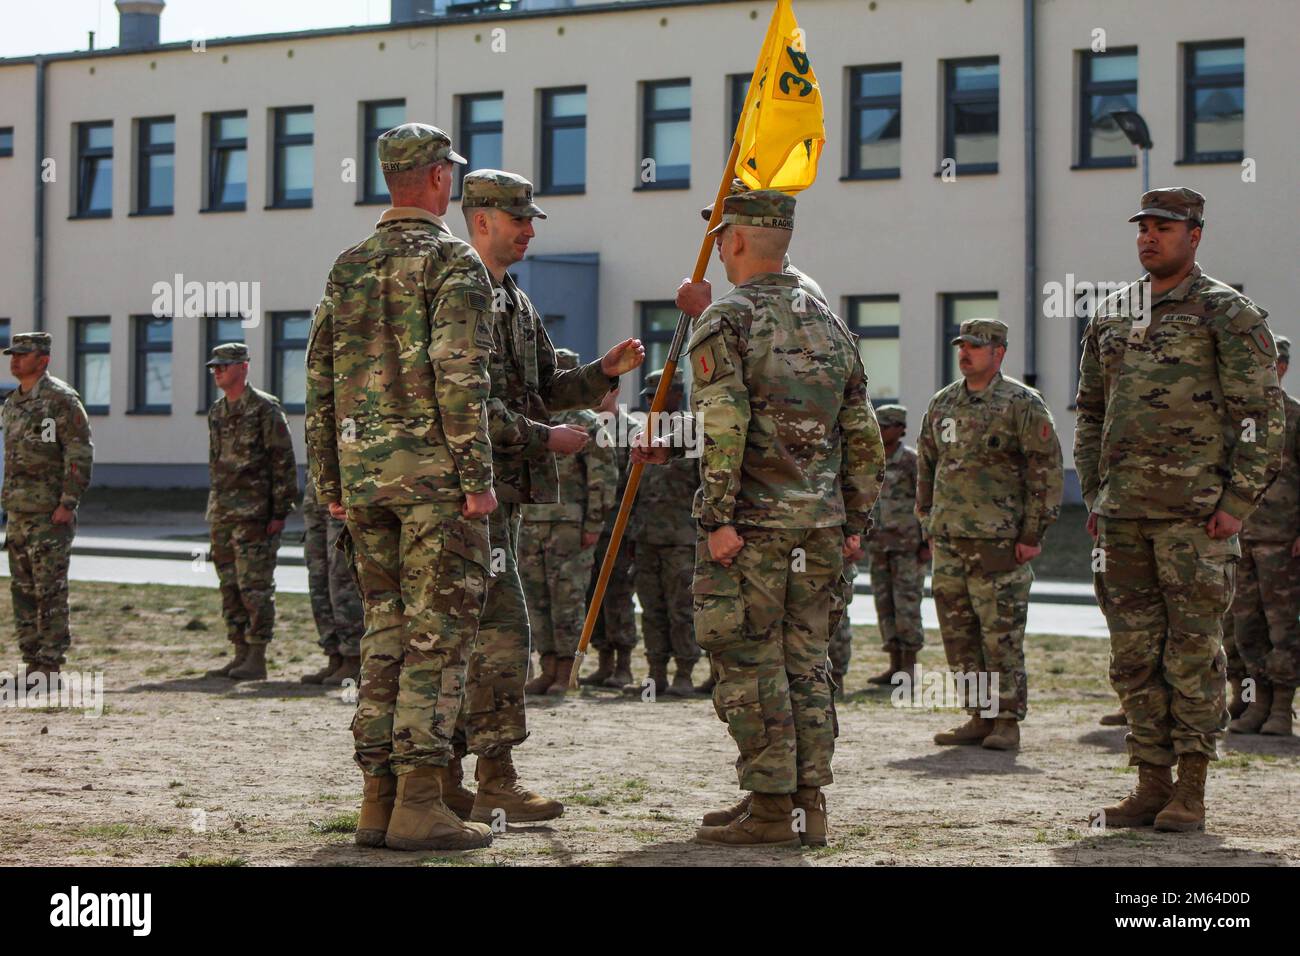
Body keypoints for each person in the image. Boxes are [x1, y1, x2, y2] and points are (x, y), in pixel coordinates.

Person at [635, 190, 884, 848]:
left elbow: (727, 425)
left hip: (751, 527)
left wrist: (717, 515)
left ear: (738, 241)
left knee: (748, 660)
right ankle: (805, 803)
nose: (716, 246)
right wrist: (854, 516)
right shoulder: (829, 323)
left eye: (721, 236)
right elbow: (863, 432)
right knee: (807, 662)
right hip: (821, 527)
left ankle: (772, 805)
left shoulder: (729, 320)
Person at [306, 123, 500, 852]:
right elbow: (461, 372)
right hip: (434, 484)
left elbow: (320, 380)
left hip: (364, 483)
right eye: (450, 172)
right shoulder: (454, 261)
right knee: (437, 636)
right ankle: (420, 800)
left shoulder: (348, 265)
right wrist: (477, 478)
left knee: (383, 629)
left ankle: (376, 799)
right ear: (438, 179)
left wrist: (330, 477)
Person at [1076, 186, 1284, 832]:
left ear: (1196, 235)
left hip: (1196, 520)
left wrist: (1239, 501)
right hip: (1123, 518)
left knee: (1193, 654)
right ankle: (1150, 783)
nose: (1149, 238)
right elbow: (1088, 412)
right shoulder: (1112, 316)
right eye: (1144, 227)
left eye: (1164, 228)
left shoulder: (1229, 315)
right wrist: (1093, 492)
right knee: (1134, 655)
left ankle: (1191, 790)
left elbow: (1261, 415)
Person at [452, 169, 643, 823]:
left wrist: (600, 373)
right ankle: (484, 778)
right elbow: (467, 406)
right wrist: (546, 439)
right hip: (460, 496)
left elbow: (541, 383)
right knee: (496, 633)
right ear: (481, 221)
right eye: (517, 219)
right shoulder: (462, 292)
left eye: (532, 219)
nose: (530, 230)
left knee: (475, 634)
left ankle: (455, 777)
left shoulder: (512, 299)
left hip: (496, 497)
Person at [919, 319, 1064, 751]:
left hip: (999, 541)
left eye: (976, 347)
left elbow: (1046, 471)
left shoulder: (1022, 404)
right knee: (958, 632)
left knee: (999, 632)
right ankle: (978, 715)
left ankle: (1006, 720)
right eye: (962, 346)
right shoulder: (943, 404)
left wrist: (1033, 531)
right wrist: (927, 519)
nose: (965, 353)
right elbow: (927, 465)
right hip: (949, 538)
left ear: (999, 353)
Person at [517, 348, 619, 695]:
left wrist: (593, 524)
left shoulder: (589, 423)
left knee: (567, 599)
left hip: (569, 526)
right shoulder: (534, 422)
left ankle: (567, 672)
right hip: (530, 523)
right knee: (536, 598)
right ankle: (547, 667)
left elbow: (602, 478)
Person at [1, 332, 93, 686]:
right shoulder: (13, 403)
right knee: (21, 588)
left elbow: (79, 453)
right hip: (18, 512)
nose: (15, 360)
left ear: (43, 360)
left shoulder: (60, 400)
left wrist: (68, 502)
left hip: (48, 513)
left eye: (24, 355)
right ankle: (31, 662)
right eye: (13, 354)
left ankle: (51, 664)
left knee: (49, 588)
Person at [203, 342, 297, 682]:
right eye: (214, 367)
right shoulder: (217, 411)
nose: (217, 372)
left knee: (254, 585)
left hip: (256, 514)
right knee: (229, 585)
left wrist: (280, 511)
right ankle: (239, 651)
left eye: (223, 366)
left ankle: (257, 656)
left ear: (243, 367)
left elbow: (283, 462)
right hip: (223, 513)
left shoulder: (265, 410)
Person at [1227, 334, 1297, 737]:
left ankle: (1281, 709)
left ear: (1283, 368)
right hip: (1240, 539)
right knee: (1242, 629)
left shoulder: (1295, 417)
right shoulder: (1237, 418)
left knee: (1282, 628)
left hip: (1281, 541)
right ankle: (1252, 701)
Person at [627, 367, 703, 697]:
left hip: (682, 539)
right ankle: (656, 671)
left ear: (676, 393)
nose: (651, 402)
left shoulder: (693, 433)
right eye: (647, 397)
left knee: (682, 608)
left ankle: (684, 671)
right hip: (646, 538)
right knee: (652, 608)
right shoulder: (639, 434)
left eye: (657, 395)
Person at [860, 404, 927, 690]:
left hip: (907, 547)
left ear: (900, 429)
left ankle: (910, 667)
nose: (881, 429)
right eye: (879, 424)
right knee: (884, 604)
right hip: (878, 545)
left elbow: (925, 503)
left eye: (886, 425)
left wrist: (926, 542)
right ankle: (893, 665)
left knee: (907, 604)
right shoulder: (871, 460)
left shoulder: (912, 461)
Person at [581, 386, 640, 689]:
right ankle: (603, 661)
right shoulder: (586, 426)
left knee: (618, 596)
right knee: (592, 595)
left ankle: (624, 666)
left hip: (622, 529)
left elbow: (640, 487)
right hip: (590, 530)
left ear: (615, 393)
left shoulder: (632, 431)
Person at [300, 479, 364, 686]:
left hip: (344, 493)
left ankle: (353, 655)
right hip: (317, 497)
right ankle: (333, 653)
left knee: (342, 578)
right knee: (319, 577)